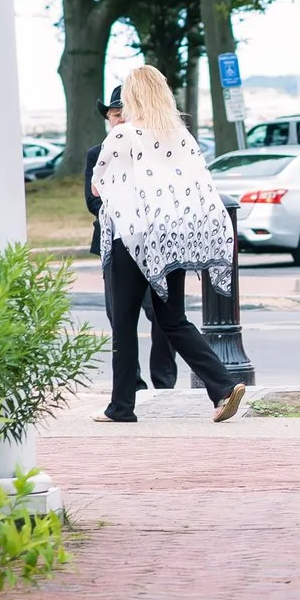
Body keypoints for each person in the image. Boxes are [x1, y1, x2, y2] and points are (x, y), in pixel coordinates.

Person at [90, 66, 245, 424]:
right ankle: (223, 386)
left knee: (124, 322)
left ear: (132, 97)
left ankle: (121, 406)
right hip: (170, 239)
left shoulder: (123, 135)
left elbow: (99, 184)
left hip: (132, 239)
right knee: (173, 319)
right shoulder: (181, 136)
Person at [84, 87, 177, 389]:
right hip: (115, 244)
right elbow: (93, 201)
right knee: (120, 318)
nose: (121, 119)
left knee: (163, 316)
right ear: (108, 119)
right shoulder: (96, 154)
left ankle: (164, 382)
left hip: (154, 245)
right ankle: (132, 384)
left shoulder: (151, 149)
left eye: (125, 114)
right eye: (115, 115)